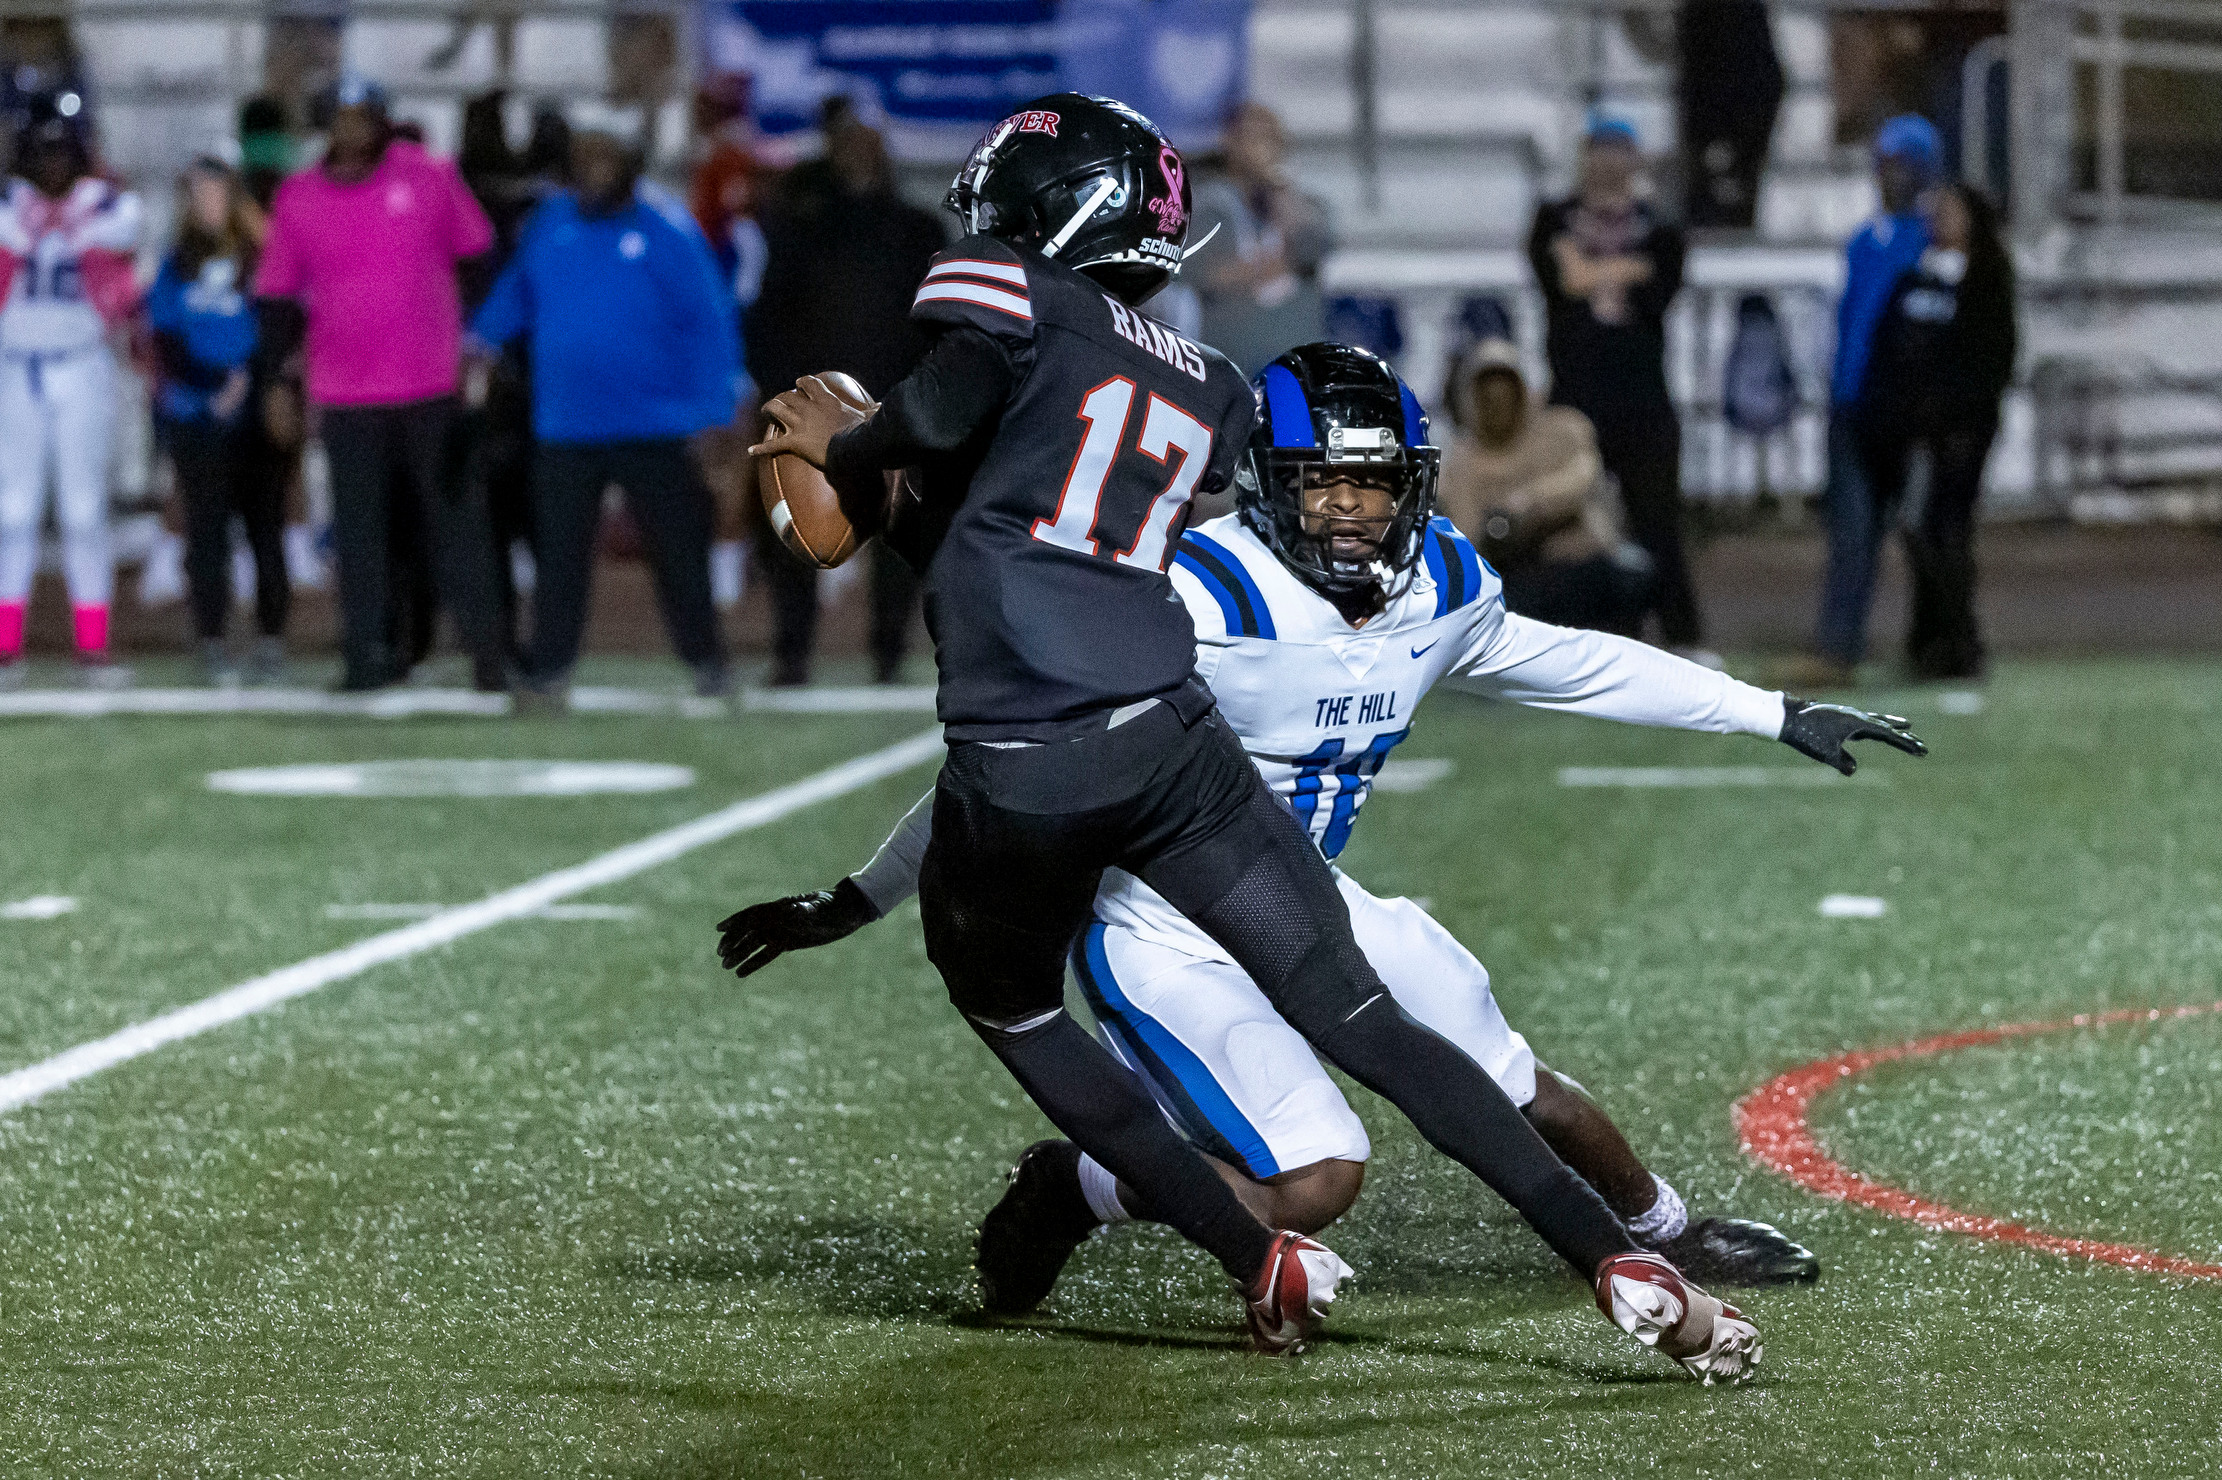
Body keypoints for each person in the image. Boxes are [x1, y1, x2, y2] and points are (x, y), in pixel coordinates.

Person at [734, 95, 1774, 1375]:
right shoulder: (1208, 377)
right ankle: (1613, 1259)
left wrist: (854, 453)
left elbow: (945, 440)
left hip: (1033, 762)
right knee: (1371, 1022)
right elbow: (1055, 504)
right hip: (1173, 745)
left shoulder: (1009, 300)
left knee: (1012, 1009)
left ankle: (1252, 1257)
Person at [726, 342, 1930, 1328]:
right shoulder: (1189, 592)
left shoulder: (1437, 583)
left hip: (1300, 894)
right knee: (1315, 1180)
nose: (1350, 509)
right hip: (1160, 930)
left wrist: (1768, 712)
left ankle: (1663, 1228)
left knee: (1520, 1087)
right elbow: (1008, 776)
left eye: (1372, 481)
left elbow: (1569, 663)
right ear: (1266, 485)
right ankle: (1075, 1187)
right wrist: (860, 895)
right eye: (1321, 481)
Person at [468, 124, 740, 703]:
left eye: (604, 157)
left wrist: (716, 407)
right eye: (583, 156)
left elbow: (709, 321)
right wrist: (482, 342)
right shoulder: (551, 222)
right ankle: (549, 672)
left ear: (630, 163)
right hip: (566, 422)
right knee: (560, 559)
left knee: (678, 553)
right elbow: (518, 291)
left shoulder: (667, 228)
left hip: (657, 422)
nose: (592, 167)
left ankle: (708, 661)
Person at [255, 74, 502, 692]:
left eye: (365, 116)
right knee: (361, 534)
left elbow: (480, 262)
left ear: (383, 121)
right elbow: (277, 299)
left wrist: (479, 348)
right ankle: (368, 651)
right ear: (323, 124)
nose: (353, 129)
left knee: (456, 525)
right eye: (341, 117)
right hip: (344, 394)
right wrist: (277, 381)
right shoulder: (298, 196)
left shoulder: (431, 177)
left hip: (431, 388)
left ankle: (488, 652)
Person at [744, 102, 944, 686]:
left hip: (894, 405)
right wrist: (781, 392)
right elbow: (768, 315)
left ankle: (887, 655)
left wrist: (923, 395)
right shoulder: (798, 224)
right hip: (810, 406)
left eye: (868, 139)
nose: (858, 151)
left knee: (901, 534)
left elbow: (939, 323)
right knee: (794, 524)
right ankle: (791, 654)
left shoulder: (917, 229)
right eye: (847, 139)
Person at [1527, 115, 1707, 660]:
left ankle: (1680, 635)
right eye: (1597, 149)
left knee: (1656, 517)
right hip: (1574, 395)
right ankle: (1567, 630)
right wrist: (1627, 269)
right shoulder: (1552, 217)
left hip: (1642, 395)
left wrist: (1591, 268)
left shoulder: (1661, 225)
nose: (1607, 162)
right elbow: (1563, 282)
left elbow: (1656, 286)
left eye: (1618, 149)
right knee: (1566, 519)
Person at [1797, 114, 1941, 687]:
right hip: (1854, 409)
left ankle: (1936, 642)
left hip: (1906, 415)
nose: (1890, 177)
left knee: (1925, 533)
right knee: (1852, 535)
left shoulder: (1932, 243)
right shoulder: (1866, 241)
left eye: (1902, 165)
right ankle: (1838, 646)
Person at [0, 110, 140, 688]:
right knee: (14, 512)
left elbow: (121, 232)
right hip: (16, 367)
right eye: (43, 153)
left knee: (84, 510)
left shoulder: (107, 203)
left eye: (63, 153)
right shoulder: (12, 201)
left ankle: (93, 646)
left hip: (82, 365)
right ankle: (7, 647)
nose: (52, 165)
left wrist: (58, 224)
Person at [1852, 184, 2015, 680]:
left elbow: (1993, 358)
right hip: (1912, 436)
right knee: (1921, 531)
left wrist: (1956, 418)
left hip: (1960, 435)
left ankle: (1959, 642)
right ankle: (1932, 642)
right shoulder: (1914, 277)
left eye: (1949, 212)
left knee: (1946, 532)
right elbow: (1888, 352)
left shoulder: (1986, 278)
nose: (1939, 221)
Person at [146, 156, 290, 684]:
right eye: (198, 192)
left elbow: (279, 318)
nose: (207, 202)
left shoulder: (260, 253)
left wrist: (249, 381)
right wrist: (212, 385)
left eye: (216, 191)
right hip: (196, 415)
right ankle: (212, 638)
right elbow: (164, 334)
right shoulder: (176, 261)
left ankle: (271, 639)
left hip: (253, 416)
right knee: (206, 532)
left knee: (264, 529)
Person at [1436, 337, 1653, 636]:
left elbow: (1582, 478)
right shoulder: (1462, 461)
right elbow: (1468, 537)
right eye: (1488, 398)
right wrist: (1503, 533)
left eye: (1505, 394)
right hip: (1516, 578)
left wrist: (1527, 504)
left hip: (1587, 566)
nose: (1498, 405)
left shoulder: (1562, 429)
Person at [1191, 102, 1333, 376]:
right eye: (1254, 138)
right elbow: (1203, 274)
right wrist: (1271, 266)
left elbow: (1312, 247)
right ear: (1230, 141)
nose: (1264, 148)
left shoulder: (1308, 206)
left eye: (1273, 138)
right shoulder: (1205, 204)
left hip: (1296, 372)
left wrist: (1280, 187)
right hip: (1228, 371)